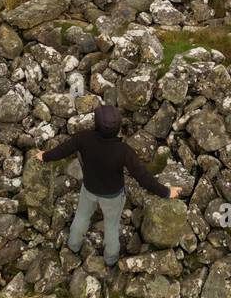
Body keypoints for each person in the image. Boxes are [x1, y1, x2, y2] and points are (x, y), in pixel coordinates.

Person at [36, 104, 183, 267]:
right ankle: (110, 259)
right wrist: (166, 192)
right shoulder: (123, 151)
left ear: (96, 124)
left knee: (81, 218)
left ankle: (73, 246)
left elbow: (62, 150)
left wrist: (45, 156)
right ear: (118, 127)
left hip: (89, 189)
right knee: (111, 227)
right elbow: (143, 178)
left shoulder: (83, 138)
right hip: (112, 195)